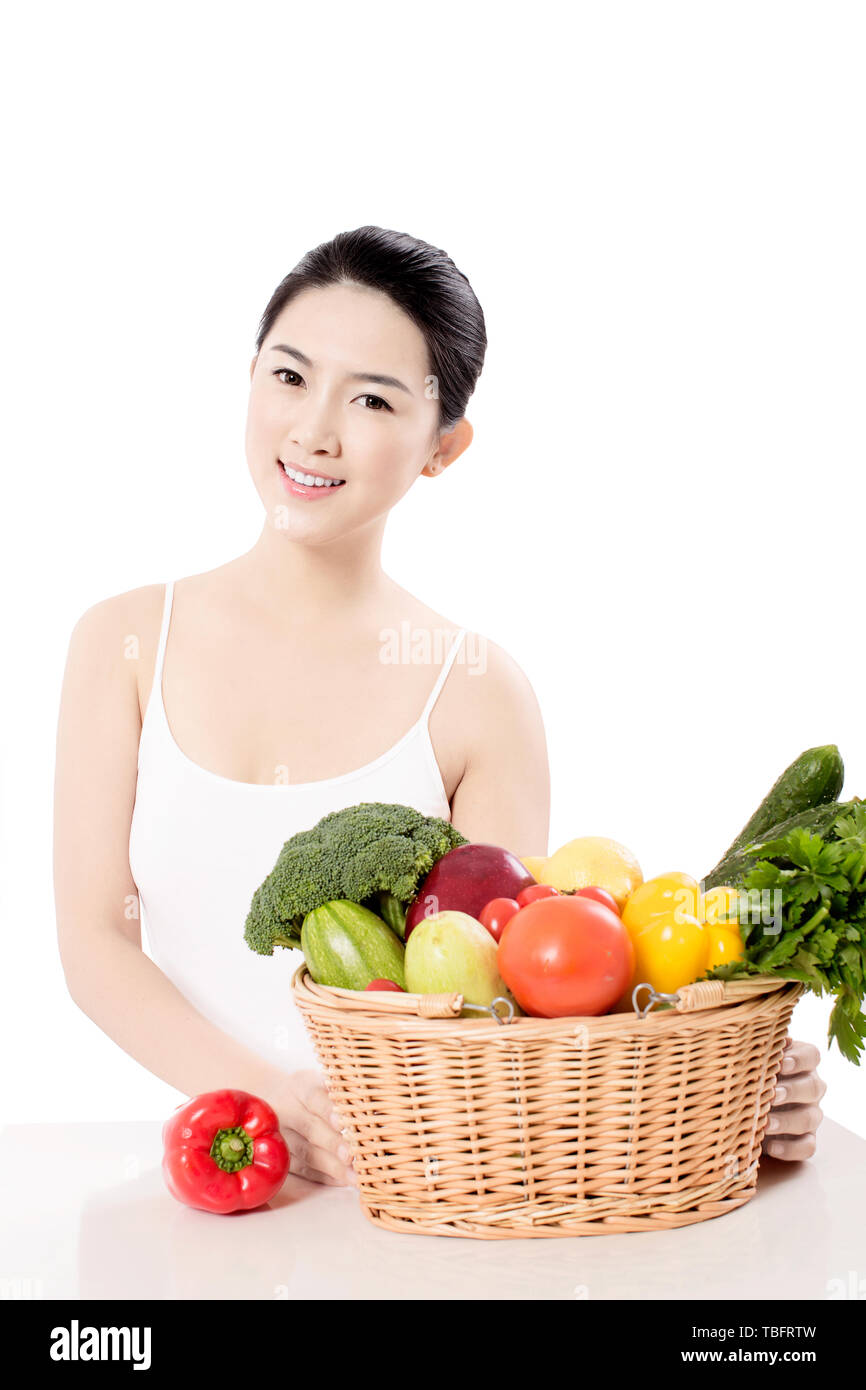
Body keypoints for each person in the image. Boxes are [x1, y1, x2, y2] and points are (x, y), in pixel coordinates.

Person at [53, 226, 823, 1191]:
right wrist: (273, 1098)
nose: (314, 430)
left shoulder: (478, 693)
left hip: (427, 1192)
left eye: (372, 398)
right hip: (215, 1177)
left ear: (442, 447)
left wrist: (731, 1083)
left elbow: (516, 994)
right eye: (290, 377)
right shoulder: (123, 641)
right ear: (250, 377)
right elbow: (93, 944)